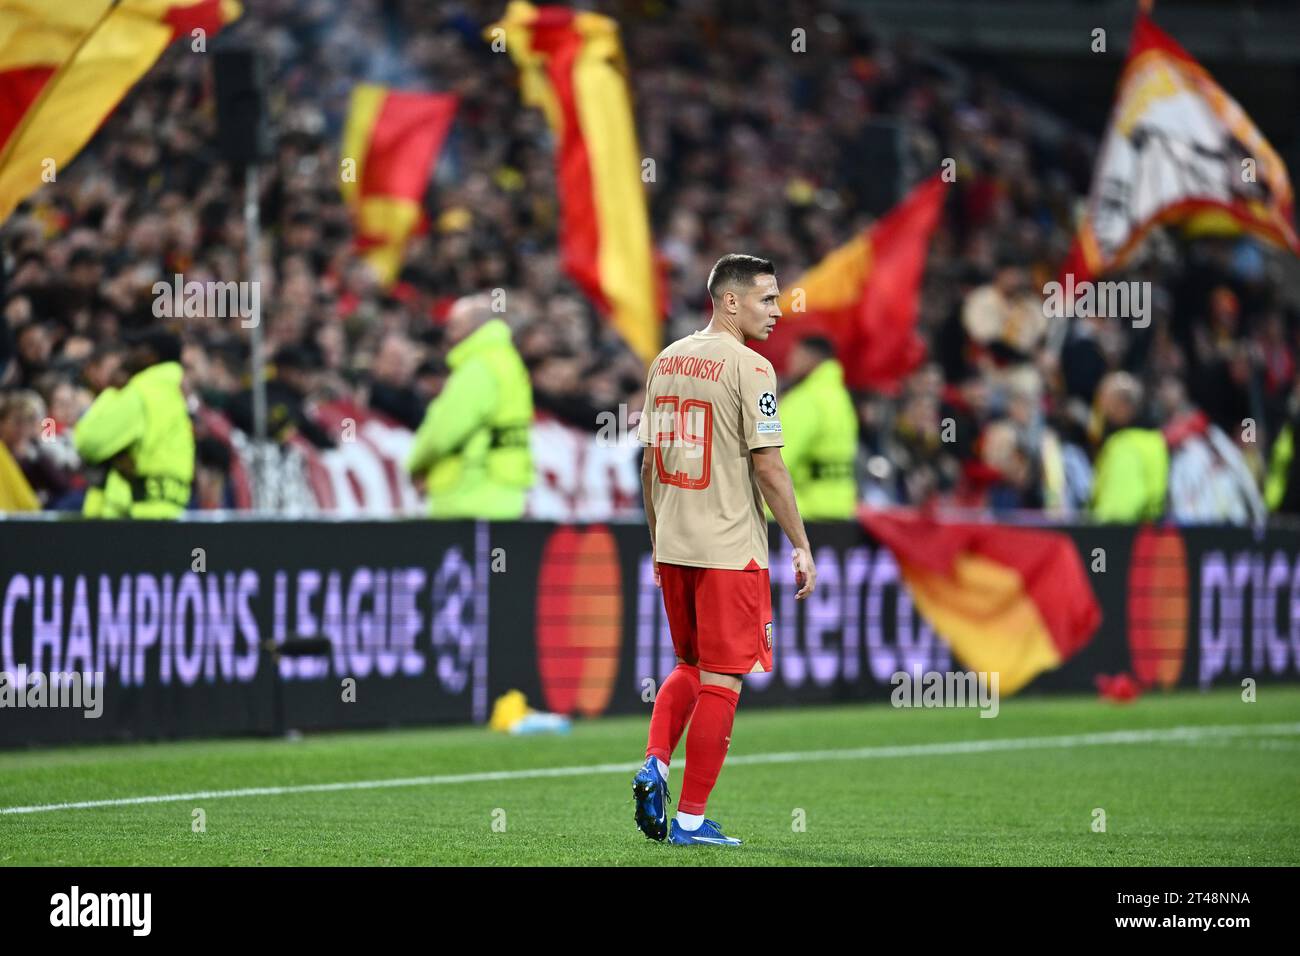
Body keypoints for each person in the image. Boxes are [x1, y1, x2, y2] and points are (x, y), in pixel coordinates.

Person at [632, 254, 817, 846]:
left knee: (689, 665)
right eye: (766, 299)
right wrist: (800, 544)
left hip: (676, 544)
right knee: (726, 676)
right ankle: (688, 819)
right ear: (730, 301)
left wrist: (658, 537)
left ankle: (655, 762)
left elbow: (647, 463)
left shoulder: (667, 359)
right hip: (731, 547)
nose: (776, 310)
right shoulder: (752, 368)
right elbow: (769, 466)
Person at [406, 294, 534, 518]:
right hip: (505, 489)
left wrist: (415, 464)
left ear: (476, 324)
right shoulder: (508, 361)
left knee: (465, 553)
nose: (448, 333)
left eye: (455, 324)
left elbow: (445, 430)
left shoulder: (478, 367)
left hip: (468, 488)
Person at [73, 328, 194, 518]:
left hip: (129, 513)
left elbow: (88, 441)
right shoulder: (174, 394)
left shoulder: (141, 392)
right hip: (168, 509)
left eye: (136, 348)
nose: (128, 355)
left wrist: (113, 392)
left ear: (151, 357)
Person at [776, 335, 858, 519]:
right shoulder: (841, 398)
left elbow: (777, 460)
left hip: (803, 509)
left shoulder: (804, 400)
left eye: (795, 356)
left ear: (809, 359)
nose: (790, 363)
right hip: (841, 506)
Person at [1089, 371, 1168, 523]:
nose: (1101, 412)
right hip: (1150, 539)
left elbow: (1116, 513)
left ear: (1123, 405)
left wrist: (1095, 544)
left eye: (1105, 403)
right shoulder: (1155, 441)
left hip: (1123, 542)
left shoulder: (1124, 447)